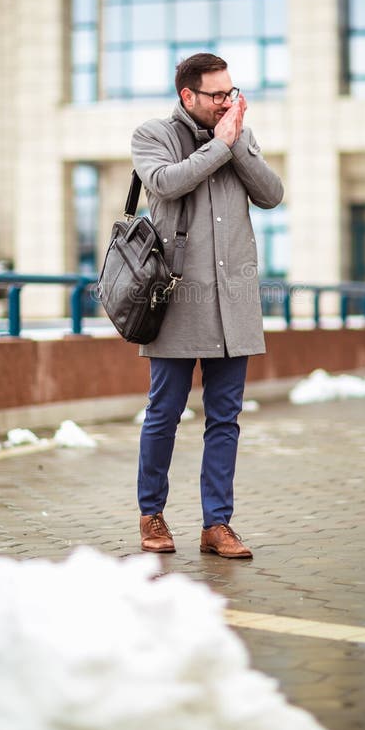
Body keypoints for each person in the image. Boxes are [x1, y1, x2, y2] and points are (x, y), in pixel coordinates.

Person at [131, 52, 284, 558]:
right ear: (187, 96)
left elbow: (271, 194)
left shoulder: (236, 131)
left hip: (233, 302)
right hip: (177, 300)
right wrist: (220, 146)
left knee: (225, 418)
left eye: (231, 92)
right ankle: (151, 515)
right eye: (217, 95)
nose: (227, 102)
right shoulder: (152, 135)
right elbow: (166, 184)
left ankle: (217, 524)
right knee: (164, 414)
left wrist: (234, 143)